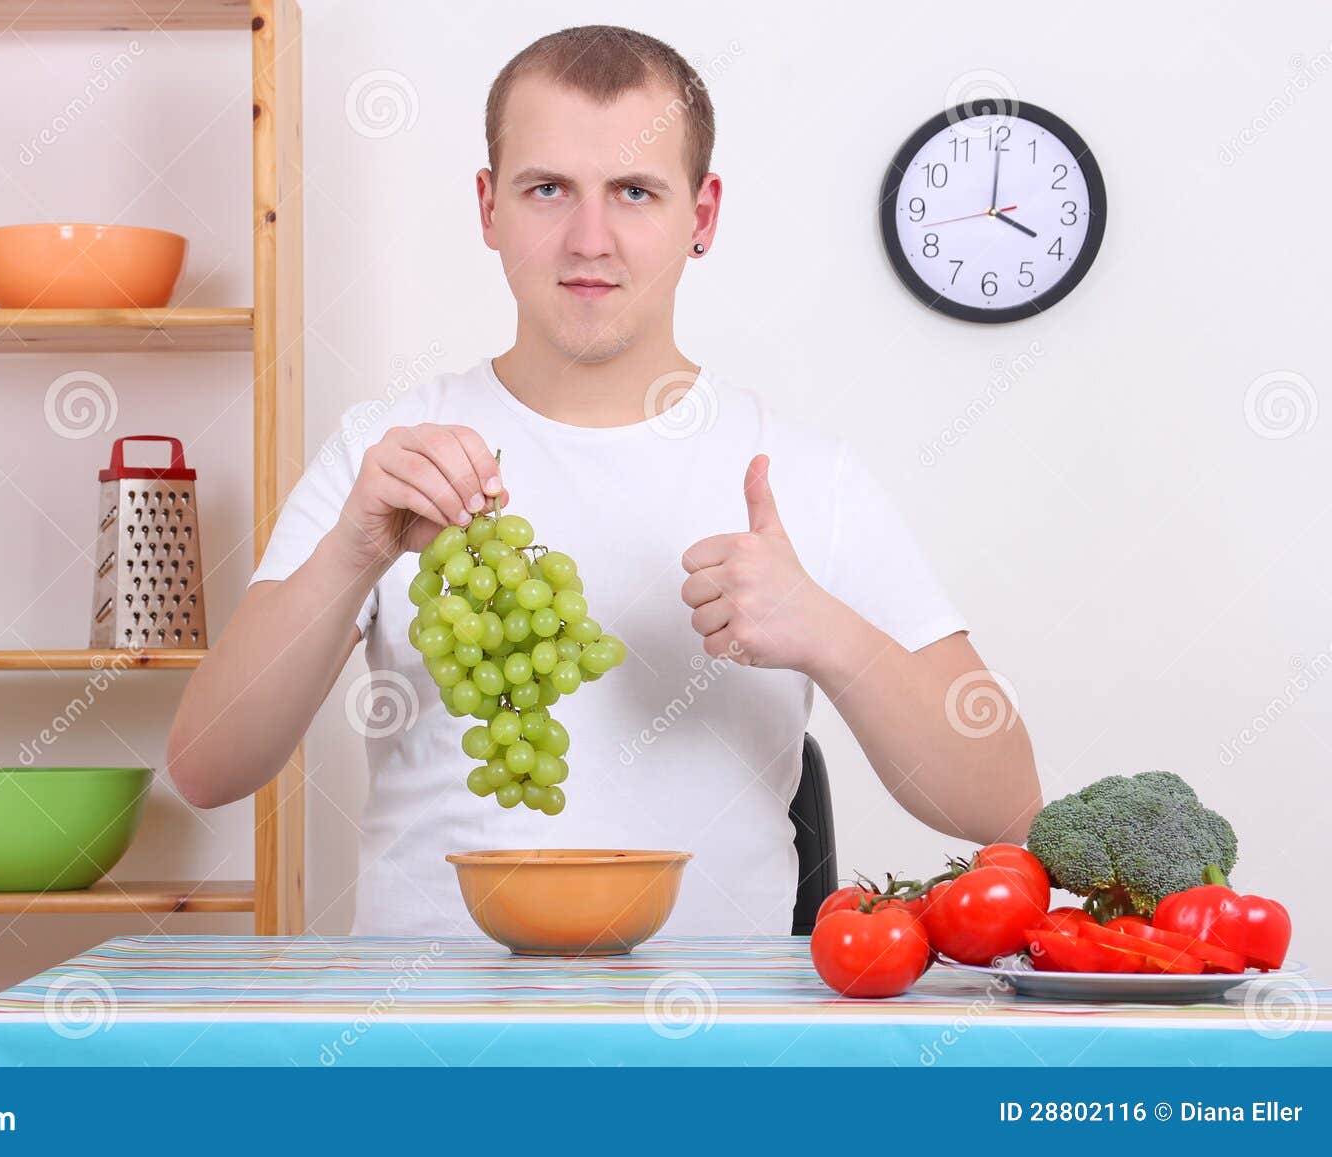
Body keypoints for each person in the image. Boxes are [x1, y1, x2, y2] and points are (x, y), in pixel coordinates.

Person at [167, 24, 1042, 936]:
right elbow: (206, 768)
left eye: (634, 192)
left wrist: (830, 634)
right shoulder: (384, 458)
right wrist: (352, 554)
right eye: (547, 189)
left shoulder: (804, 475)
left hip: (715, 1016)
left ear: (701, 216)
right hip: (429, 1013)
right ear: (489, 208)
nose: (590, 240)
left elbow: (1006, 802)